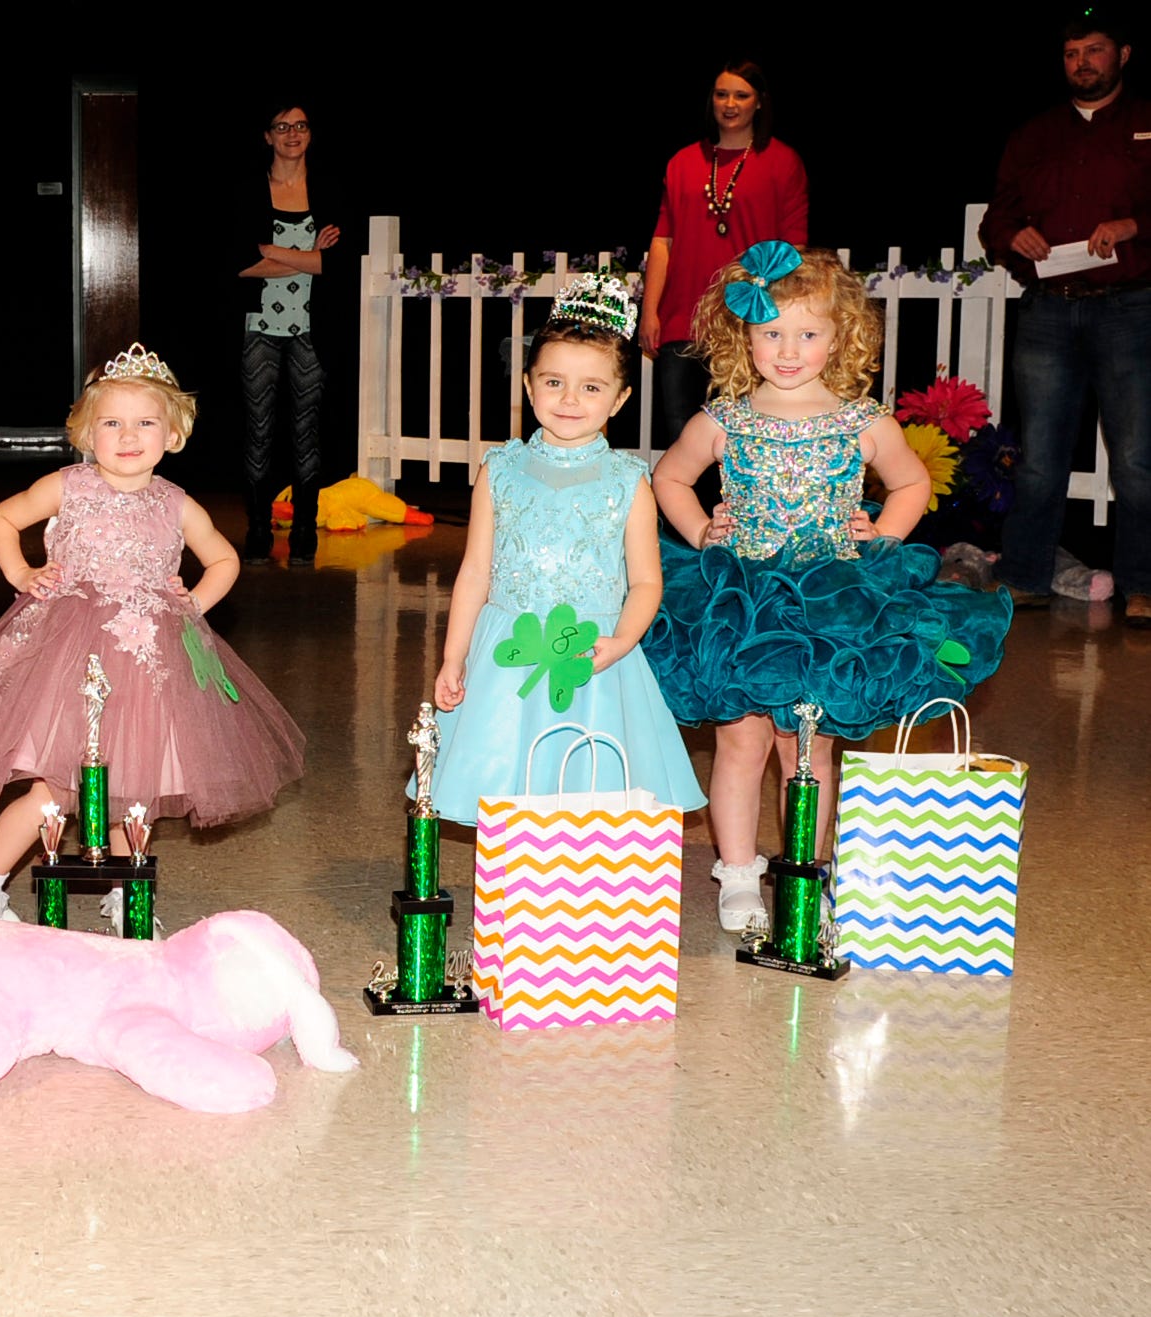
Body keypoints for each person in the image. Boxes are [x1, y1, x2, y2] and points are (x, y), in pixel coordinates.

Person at [645, 245, 1012, 931]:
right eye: (770, 334)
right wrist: (699, 531)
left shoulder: (860, 420)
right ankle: (738, 874)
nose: (787, 351)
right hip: (740, 603)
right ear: (742, 336)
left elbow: (911, 481)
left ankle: (801, 873)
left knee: (807, 748)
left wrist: (885, 534)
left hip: (830, 604)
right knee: (740, 742)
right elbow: (666, 478)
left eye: (807, 334)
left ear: (840, 336)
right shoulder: (724, 420)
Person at [0, 344, 304, 921]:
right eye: (111, 423)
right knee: (53, 787)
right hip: (66, 655)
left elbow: (225, 560)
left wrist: (193, 602)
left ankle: (127, 895)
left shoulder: (177, 504)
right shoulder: (68, 485)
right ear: (85, 433)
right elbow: (3, 517)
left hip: (146, 659)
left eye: (146, 423)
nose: (128, 435)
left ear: (173, 435)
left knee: (135, 790)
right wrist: (20, 571)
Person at [416, 278, 704, 823]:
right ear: (528, 387)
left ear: (620, 398)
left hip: (592, 654)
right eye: (554, 382)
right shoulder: (498, 469)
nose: (570, 400)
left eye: (592, 388)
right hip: (506, 648)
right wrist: (454, 657)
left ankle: (578, 889)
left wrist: (622, 641)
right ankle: (520, 886)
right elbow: (476, 571)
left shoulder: (628, 482)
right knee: (508, 773)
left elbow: (646, 581)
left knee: (586, 778)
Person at [977, 16, 1151, 626]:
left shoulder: (1145, 125)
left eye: (1095, 50)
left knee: (1134, 456)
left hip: (1130, 307)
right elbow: (996, 221)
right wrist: (1013, 236)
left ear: (1122, 54)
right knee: (1040, 456)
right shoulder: (1033, 135)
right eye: (1072, 53)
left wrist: (1135, 225)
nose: (1082, 62)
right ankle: (1025, 576)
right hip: (1050, 309)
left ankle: (1143, 586)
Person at [639, 61, 808, 444]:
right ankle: (684, 507)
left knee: (743, 435)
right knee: (682, 435)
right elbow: (662, 241)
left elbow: (794, 250)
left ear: (759, 103)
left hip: (748, 321)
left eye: (741, 95)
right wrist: (650, 311)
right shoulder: (681, 162)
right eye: (721, 94)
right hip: (682, 321)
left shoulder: (783, 162)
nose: (730, 103)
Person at [238, 103, 342, 564]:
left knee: (307, 433)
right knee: (258, 431)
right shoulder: (250, 190)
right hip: (258, 326)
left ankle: (304, 531)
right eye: (282, 127)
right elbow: (240, 265)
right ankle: (258, 528)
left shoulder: (329, 192)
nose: (292, 134)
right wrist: (307, 256)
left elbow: (335, 266)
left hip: (311, 330)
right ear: (267, 136)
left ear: (310, 134)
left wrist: (273, 250)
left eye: (300, 125)